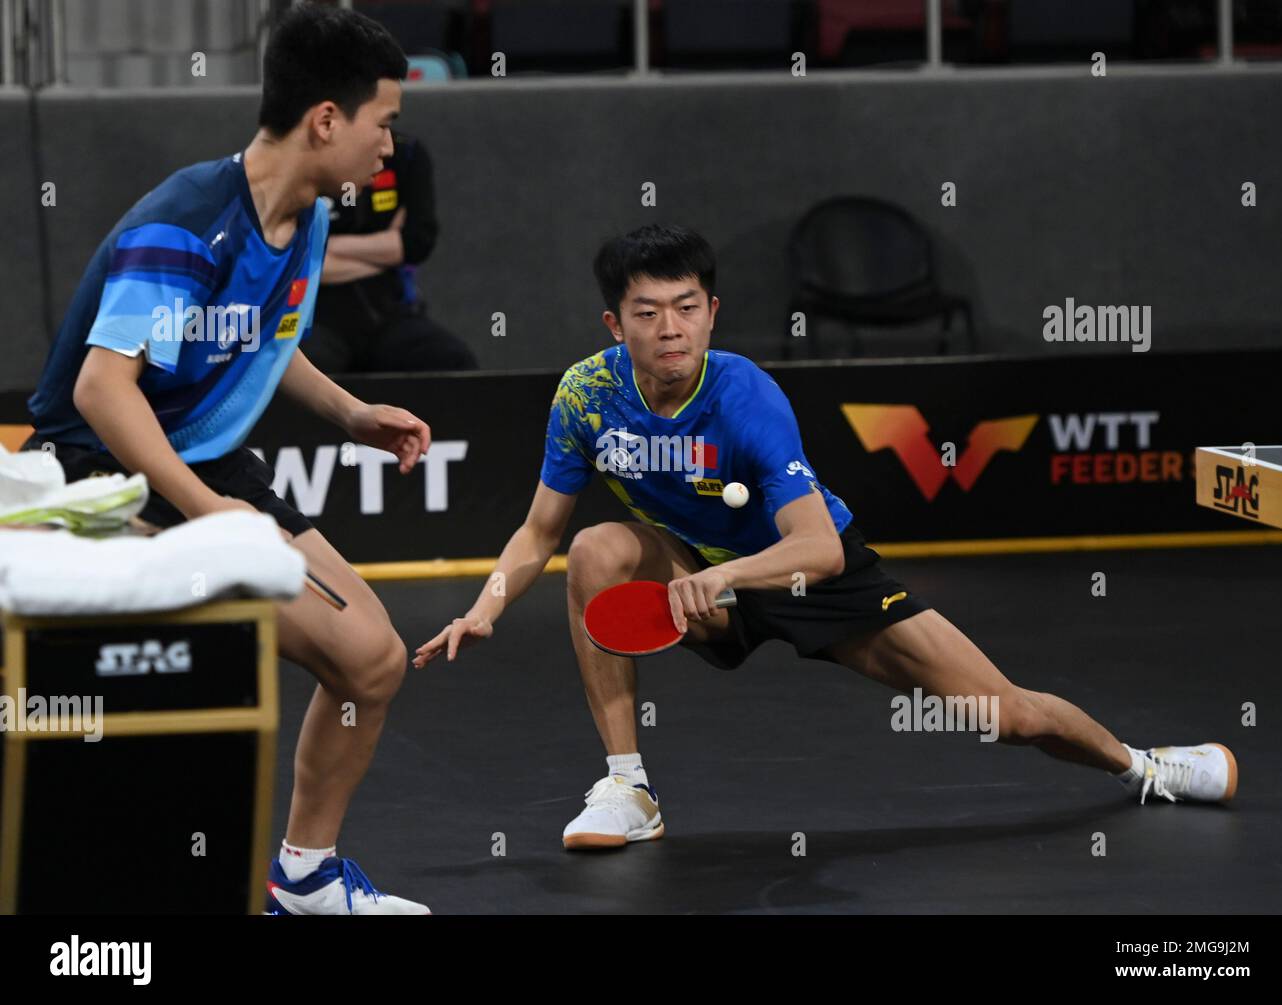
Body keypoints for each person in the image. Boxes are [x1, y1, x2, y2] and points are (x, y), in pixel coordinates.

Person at [414, 223, 1237, 850]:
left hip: (805, 579)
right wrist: (486, 606)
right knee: (596, 547)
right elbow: (537, 531)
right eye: (648, 312)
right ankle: (628, 786)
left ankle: (1145, 765)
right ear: (613, 321)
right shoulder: (586, 397)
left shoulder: (746, 396)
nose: (671, 328)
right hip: (693, 577)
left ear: (712, 312)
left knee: (1007, 714)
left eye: (688, 308)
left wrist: (733, 576)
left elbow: (819, 547)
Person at [23, 4, 432, 913]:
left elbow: (266, 336)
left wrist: (350, 412)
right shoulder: (184, 221)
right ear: (327, 118)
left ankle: (307, 876)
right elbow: (102, 389)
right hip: (101, 470)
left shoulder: (311, 216)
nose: (387, 148)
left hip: (206, 460)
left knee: (372, 659)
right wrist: (206, 514)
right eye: (384, 123)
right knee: (162, 699)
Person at [304, 129, 476, 374]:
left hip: (388, 313)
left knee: (451, 358)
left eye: (388, 123)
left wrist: (327, 248)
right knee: (307, 367)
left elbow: (414, 244)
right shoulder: (304, 159)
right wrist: (386, 249)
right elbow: (297, 260)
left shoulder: (406, 154)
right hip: (316, 318)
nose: (387, 147)